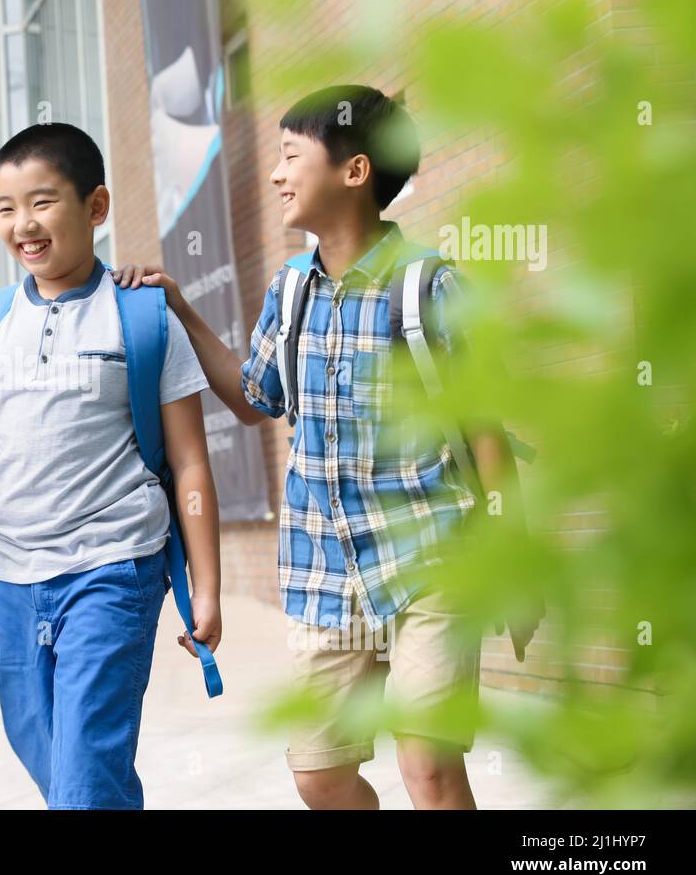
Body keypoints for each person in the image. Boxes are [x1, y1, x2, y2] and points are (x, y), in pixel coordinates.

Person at [116, 85, 539, 809]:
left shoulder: (430, 287)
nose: (277, 175)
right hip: (322, 571)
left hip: (432, 556)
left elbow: (484, 430)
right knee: (319, 775)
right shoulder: (291, 292)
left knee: (428, 764)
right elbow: (254, 398)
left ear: (354, 172)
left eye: (289, 157)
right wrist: (181, 308)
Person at [0, 123, 223, 809]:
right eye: (6, 208)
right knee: (46, 749)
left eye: (41, 202)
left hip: (115, 566)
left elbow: (188, 461)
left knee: (86, 770)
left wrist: (207, 587)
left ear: (95, 207)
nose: (22, 224)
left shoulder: (141, 314)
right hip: (15, 574)